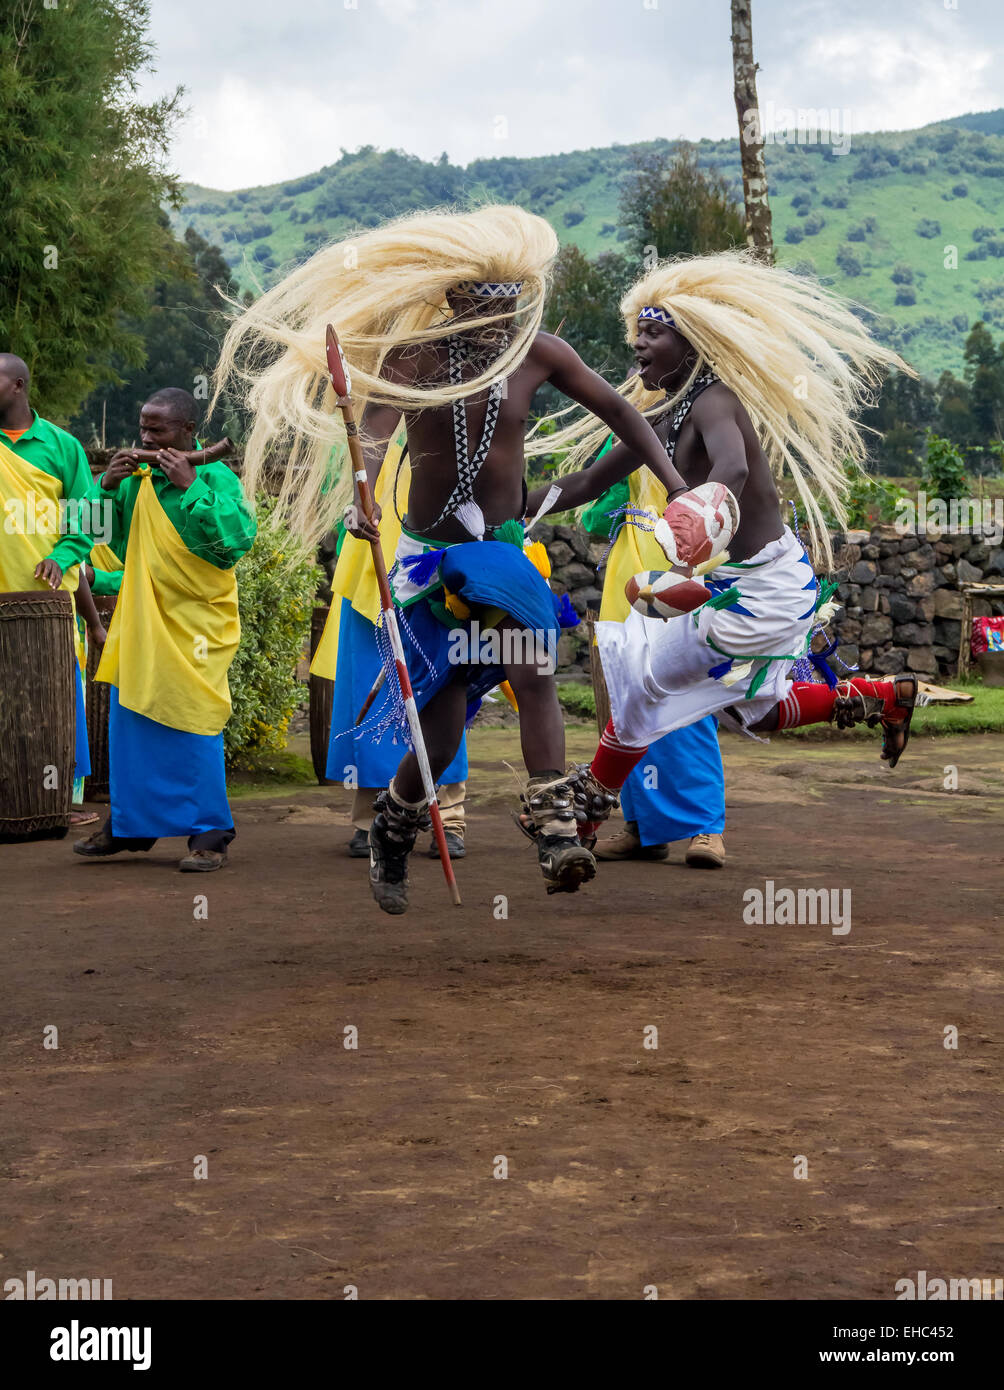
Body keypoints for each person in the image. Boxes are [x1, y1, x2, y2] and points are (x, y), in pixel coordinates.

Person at [216, 206, 712, 913]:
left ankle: (554, 828)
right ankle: (395, 821)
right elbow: (377, 431)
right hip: (428, 557)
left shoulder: (539, 352)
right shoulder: (413, 357)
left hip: (502, 551)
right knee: (442, 719)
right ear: (455, 304)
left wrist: (677, 484)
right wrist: (364, 496)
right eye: (483, 319)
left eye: (506, 321)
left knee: (532, 670)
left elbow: (623, 413)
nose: (496, 336)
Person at [520, 251, 918, 844]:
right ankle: (886, 696)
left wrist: (704, 510)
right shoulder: (663, 417)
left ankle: (590, 806)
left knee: (648, 674)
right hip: (749, 585)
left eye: (654, 333)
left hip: (768, 590)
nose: (639, 345)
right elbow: (583, 484)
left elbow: (730, 463)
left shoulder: (715, 400)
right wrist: (511, 504)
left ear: (692, 342)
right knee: (750, 707)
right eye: (637, 333)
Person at [73, 389, 256, 871]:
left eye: (159, 430)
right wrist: (105, 488)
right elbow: (97, 539)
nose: (147, 438)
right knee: (134, 717)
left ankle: (210, 832)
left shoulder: (216, 477)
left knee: (192, 718)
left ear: (188, 432)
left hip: (198, 623)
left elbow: (235, 544)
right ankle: (132, 825)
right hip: (143, 620)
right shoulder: (136, 482)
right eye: (143, 428)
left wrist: (192, 483)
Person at [314, 422, 469, 858]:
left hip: (438, 570)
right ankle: (372, 818)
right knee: (371, 697)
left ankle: (450, 817)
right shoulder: (363, 421)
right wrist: (357, 504)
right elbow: (337, 482)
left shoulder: (460, 411)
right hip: (370, 573)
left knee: (443, 694)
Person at [579, 444, 726, 869]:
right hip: (630, 595)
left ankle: (707, 828)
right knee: (630, 713)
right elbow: (591, 517)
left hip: (688, 590)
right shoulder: (623, 445)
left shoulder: (700, 440)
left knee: (692, 710)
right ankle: (641, 829)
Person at [0, 352, 100, 818]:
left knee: (57, 690)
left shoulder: (62, 447)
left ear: (18, 385)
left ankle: (60, 797)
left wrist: (61, 558)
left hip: (48, 598)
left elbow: (87, 519)